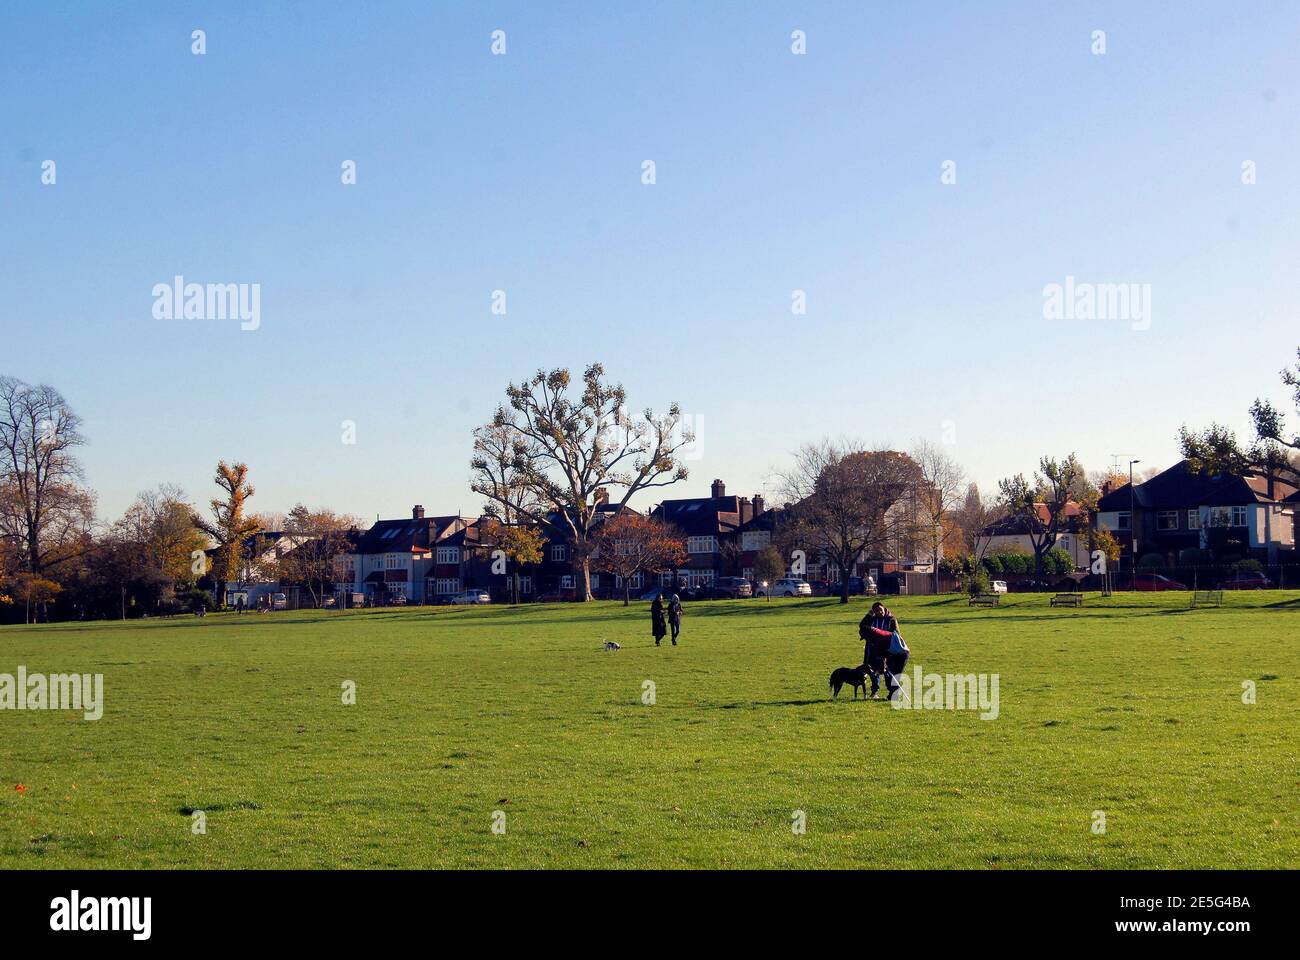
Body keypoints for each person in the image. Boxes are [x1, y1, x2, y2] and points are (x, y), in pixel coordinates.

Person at [859, 601, 909, 700]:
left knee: (887, 670)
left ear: (884, 609)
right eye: (876, 611)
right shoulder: (872, 618)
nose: (879, 612)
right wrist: (868, 615)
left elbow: (895, 635)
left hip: (887, 648)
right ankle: (874, 691)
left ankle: (892, 693)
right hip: (872, 647)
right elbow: (862, 626)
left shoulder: (891, 619)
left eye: (880, 610)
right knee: (872, 669)